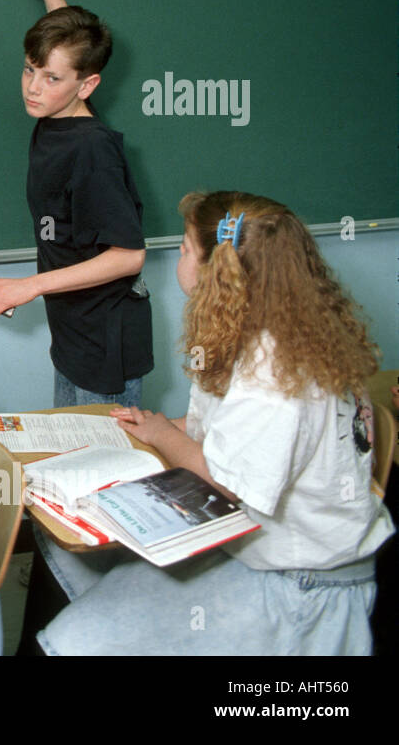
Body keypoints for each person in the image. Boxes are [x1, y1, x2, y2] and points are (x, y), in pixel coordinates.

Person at [35, 191, 393, 654]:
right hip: (267, 549)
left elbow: (224, 485)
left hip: (301, 584)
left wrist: (163, 432)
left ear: (215, 269)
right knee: (69, 549)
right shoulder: (290, 330)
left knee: (74, 639)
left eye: (184, 250)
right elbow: (239, 430)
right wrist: (170, 427)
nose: (178, 258)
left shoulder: (273, 367)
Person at [0, 0, 152, 408]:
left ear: (86, 86)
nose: (33, 87)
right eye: (29, 69)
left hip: (103, 342)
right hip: (73, 331)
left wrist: (27, 286)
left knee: (102, 473)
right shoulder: (58, 109)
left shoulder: (92, 152)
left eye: (50, 79)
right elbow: (68, 44)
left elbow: (129, 256)